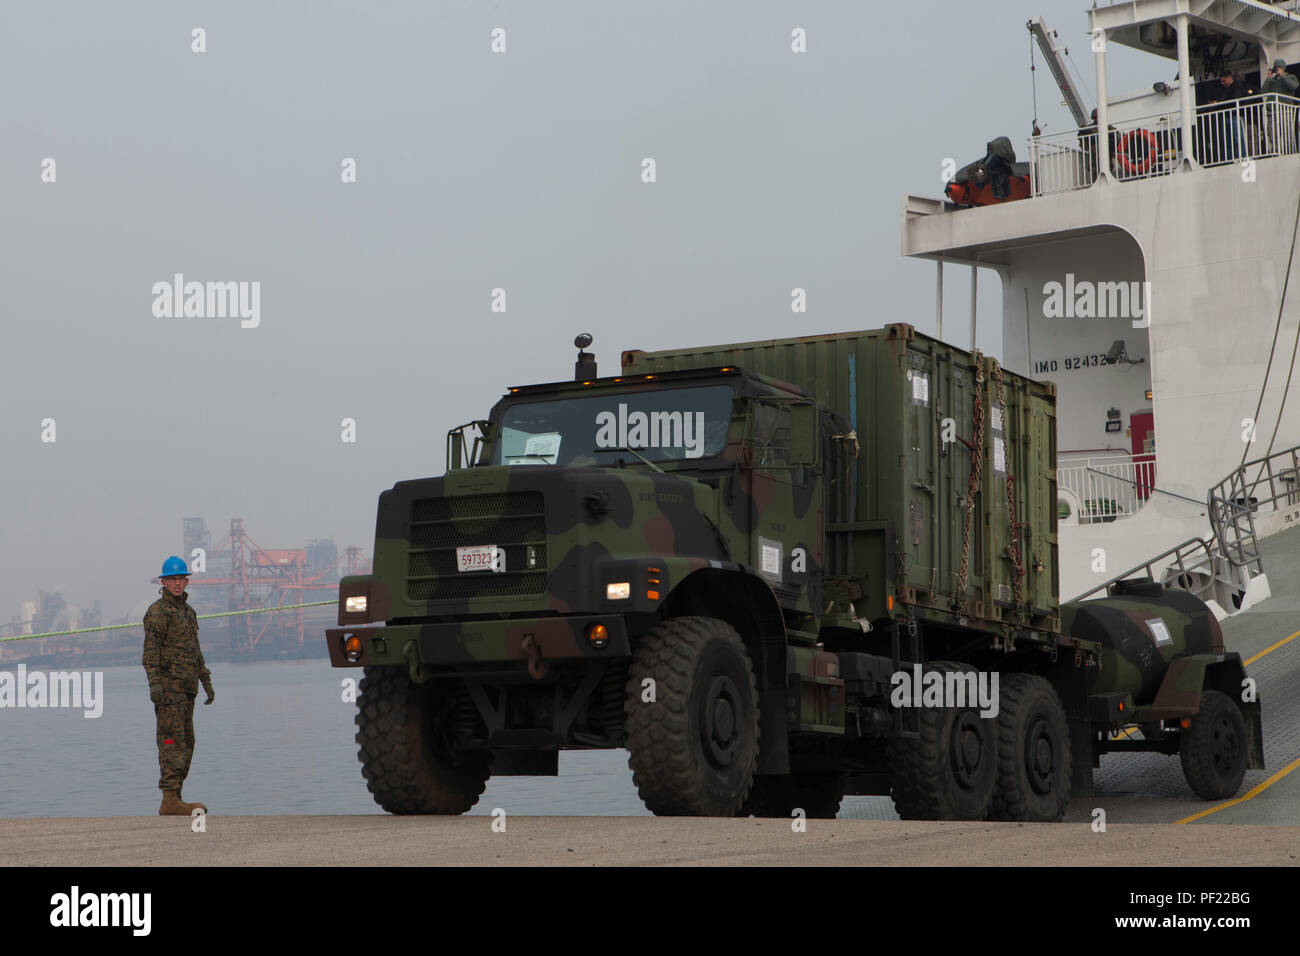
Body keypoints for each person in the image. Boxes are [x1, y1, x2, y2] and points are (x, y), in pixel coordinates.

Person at [142, 556, 214, 815]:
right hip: (169, 690)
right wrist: (155, 685)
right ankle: (169, 799)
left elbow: (195, 651)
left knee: (187, 743)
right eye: (173, 579)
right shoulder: (157, 612)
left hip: (187, 688)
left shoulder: (187, 612)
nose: (178, 583)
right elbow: (150, 653)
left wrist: (206, 681)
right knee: (171, 742)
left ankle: (176, 797)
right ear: (163, 581)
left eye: (182, 579)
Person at [1262, 59, 1298, 153]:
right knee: (1272, 135)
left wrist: (1282, 76)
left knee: (1287, 134)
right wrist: (1268, 78)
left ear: (1283, 68)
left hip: (1285, 110)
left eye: (1279, 67)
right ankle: (1275, 153)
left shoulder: (1290, 77)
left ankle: (1289, 152)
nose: (1277, 69)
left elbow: (1294, 86)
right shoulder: (1272, 81)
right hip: (1272, 113)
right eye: (1276, 67)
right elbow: (1263, 92)